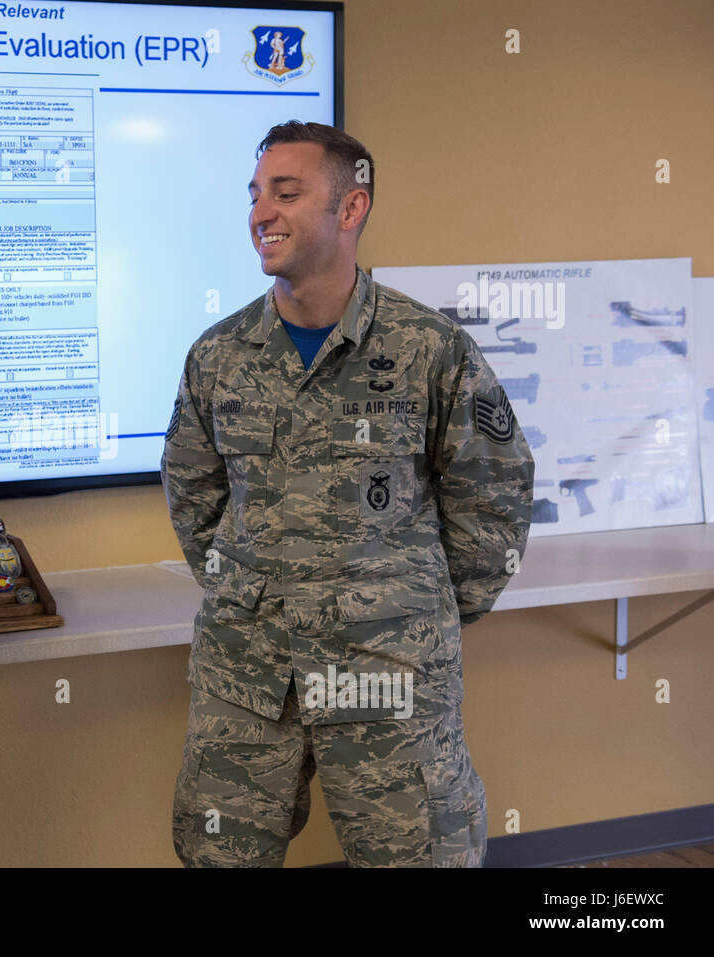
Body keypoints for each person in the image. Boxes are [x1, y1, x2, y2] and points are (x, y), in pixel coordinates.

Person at [161, 120, 533, 867]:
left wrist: (408, 610)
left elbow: (493, 501)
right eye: (256, 193)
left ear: (351, 208)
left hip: (389, 680)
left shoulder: (431, 350)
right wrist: (260, 593)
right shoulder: (218, 356)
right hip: (248, 679)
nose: (260, 211)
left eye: (286, 192)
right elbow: (195, 500)